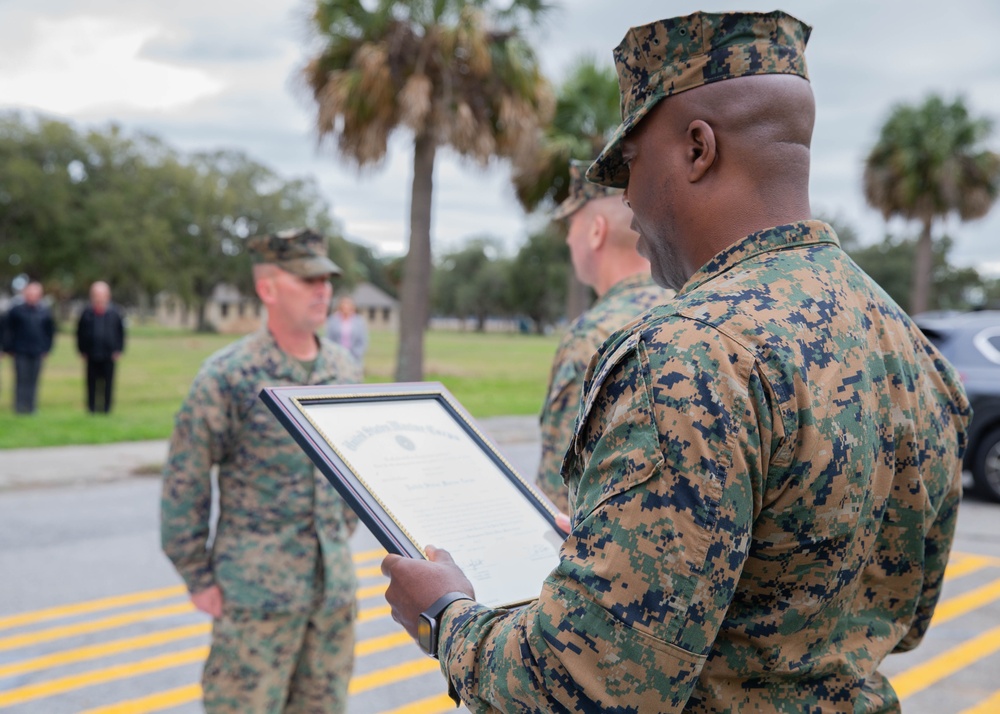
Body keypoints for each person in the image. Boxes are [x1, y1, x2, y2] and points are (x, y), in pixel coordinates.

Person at [380, 11, 972, 712]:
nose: (628, 200)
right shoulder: (913, 350)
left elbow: (581, 687)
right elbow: (902, 616)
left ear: (697, 149)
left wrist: (446, 615)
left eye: (632, 164)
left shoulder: (690, 355)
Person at [160, 228, 361, 713]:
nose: (323, 290)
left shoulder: (343, 370)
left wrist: (338, 537)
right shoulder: (228, 375)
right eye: (307, 280)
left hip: (331, 595)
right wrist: (197, 575)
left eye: (326, 280)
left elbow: (354, 477)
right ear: (267, 288)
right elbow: (185, 481)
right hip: (255, 598)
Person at [537, 160, 671, 513]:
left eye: (571, 225)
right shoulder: (689, 309)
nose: (569, 238)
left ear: (596, 231)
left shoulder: (591, 336)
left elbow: (558, 501)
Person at [3, 281, 55, 414]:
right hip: (20, 350)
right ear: (25, 294)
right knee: (21, 379)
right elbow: (7, 330)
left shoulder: (44, 311)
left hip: (37, 351)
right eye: (30, 293)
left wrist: (47, 348)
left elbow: (50, 332)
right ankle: (19, 407)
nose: (33, 296)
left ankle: (31, 407)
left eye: (35, 294)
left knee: (34, 380)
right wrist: (8, 348)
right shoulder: (16, 311)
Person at [76, 281, 126, 414]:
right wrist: (81, 350)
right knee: (91, 383)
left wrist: (119, 349)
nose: (99, 297)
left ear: (108, 296)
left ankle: (106, 409)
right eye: (96, 294)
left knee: (108, 383)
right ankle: (91, 409)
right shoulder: (87, 313)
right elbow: (79, 332)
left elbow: (121, 333)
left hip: (109, 354)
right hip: (91, 354)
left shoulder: (115, 312)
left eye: (102, 294)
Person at [325, 295, 368, 365]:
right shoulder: (333, 320)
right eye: (344, 303)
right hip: (336, 357)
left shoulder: (359, 321)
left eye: (348, 304)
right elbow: (329, 338)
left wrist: (355, 354)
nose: (346, 306)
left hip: (354, 357)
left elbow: (363, 341)